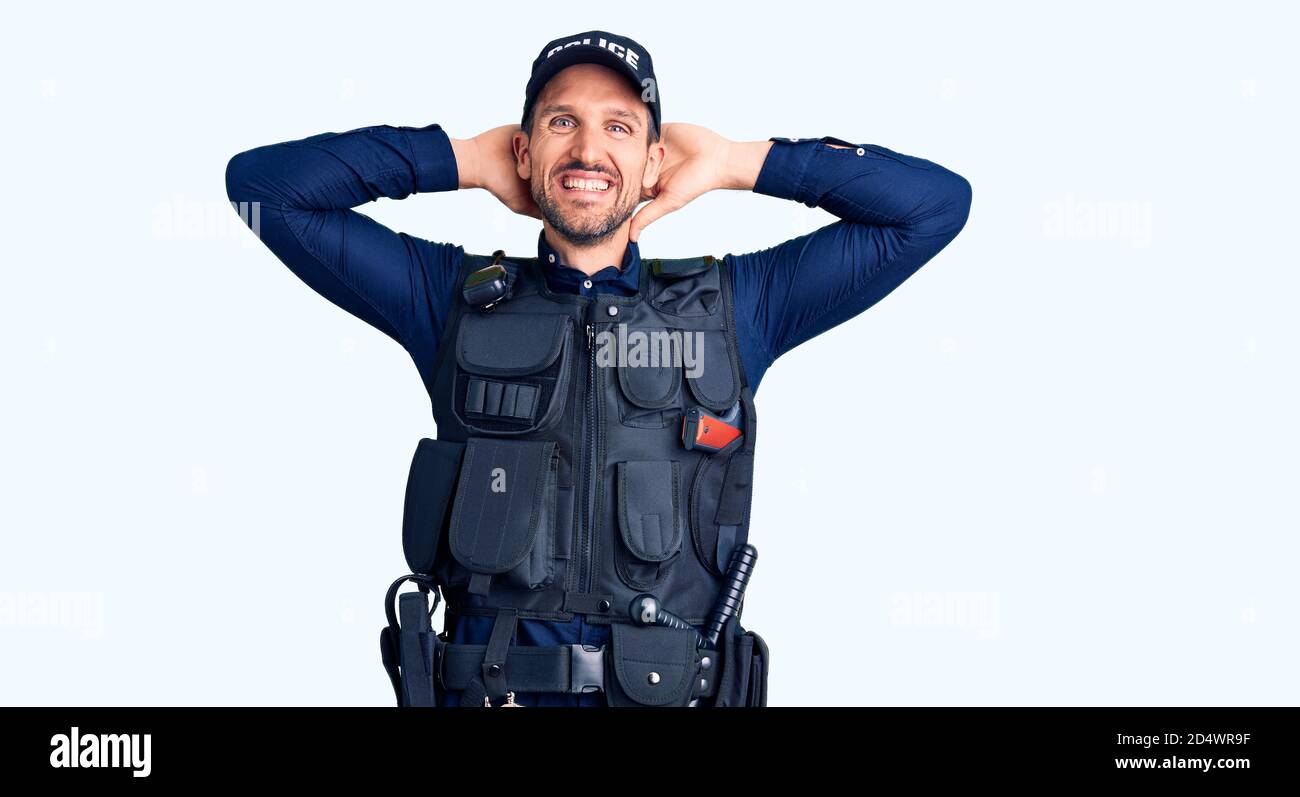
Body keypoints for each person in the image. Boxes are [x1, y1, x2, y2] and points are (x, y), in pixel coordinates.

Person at [225, 30, 972, 707]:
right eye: (561, 123)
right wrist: (460, 158)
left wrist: (741, 162)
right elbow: (262, 191)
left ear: (654, 162)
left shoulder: (736, 308)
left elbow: (934, 208)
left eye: (619, 128)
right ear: (525, 152)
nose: (587, 151)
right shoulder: (447, 301)